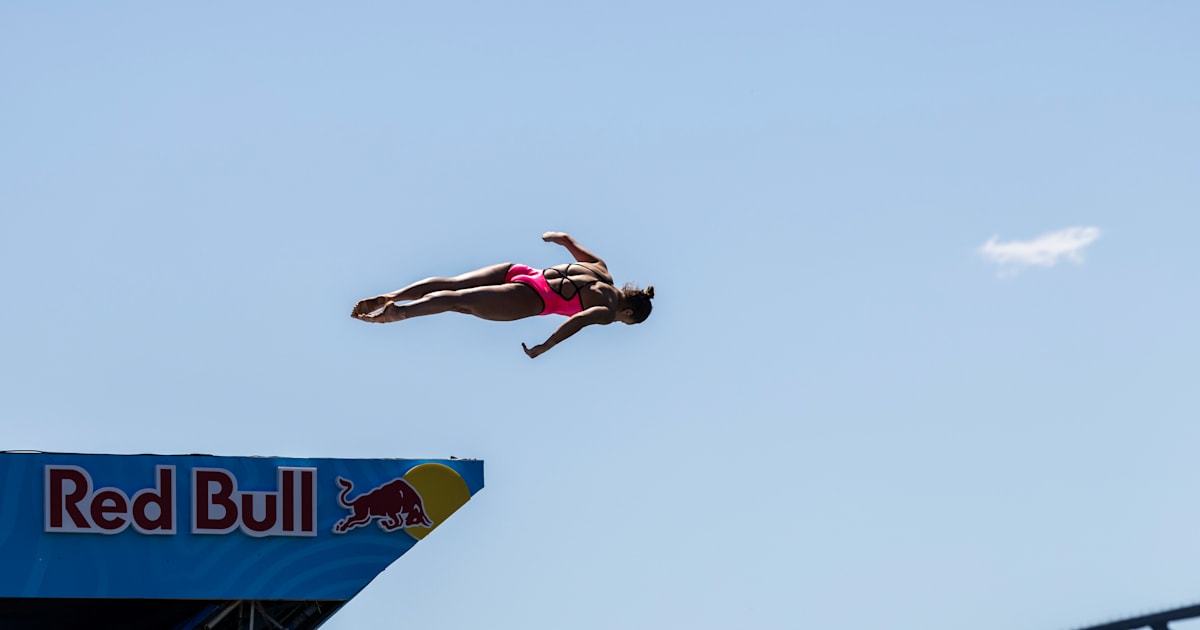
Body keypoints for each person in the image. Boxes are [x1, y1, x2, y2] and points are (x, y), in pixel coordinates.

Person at [351, 232, 654, 358]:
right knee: (459, 303)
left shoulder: (601, 268)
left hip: (521, 271)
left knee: (454, 285)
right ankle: (398, 313)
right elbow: (577, 322)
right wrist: (544, 347)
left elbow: (566, 240)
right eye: (623, 323)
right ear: (628, 313)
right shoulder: (607, 309)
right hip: (530, 296)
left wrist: (551, 237)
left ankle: (393, 294)